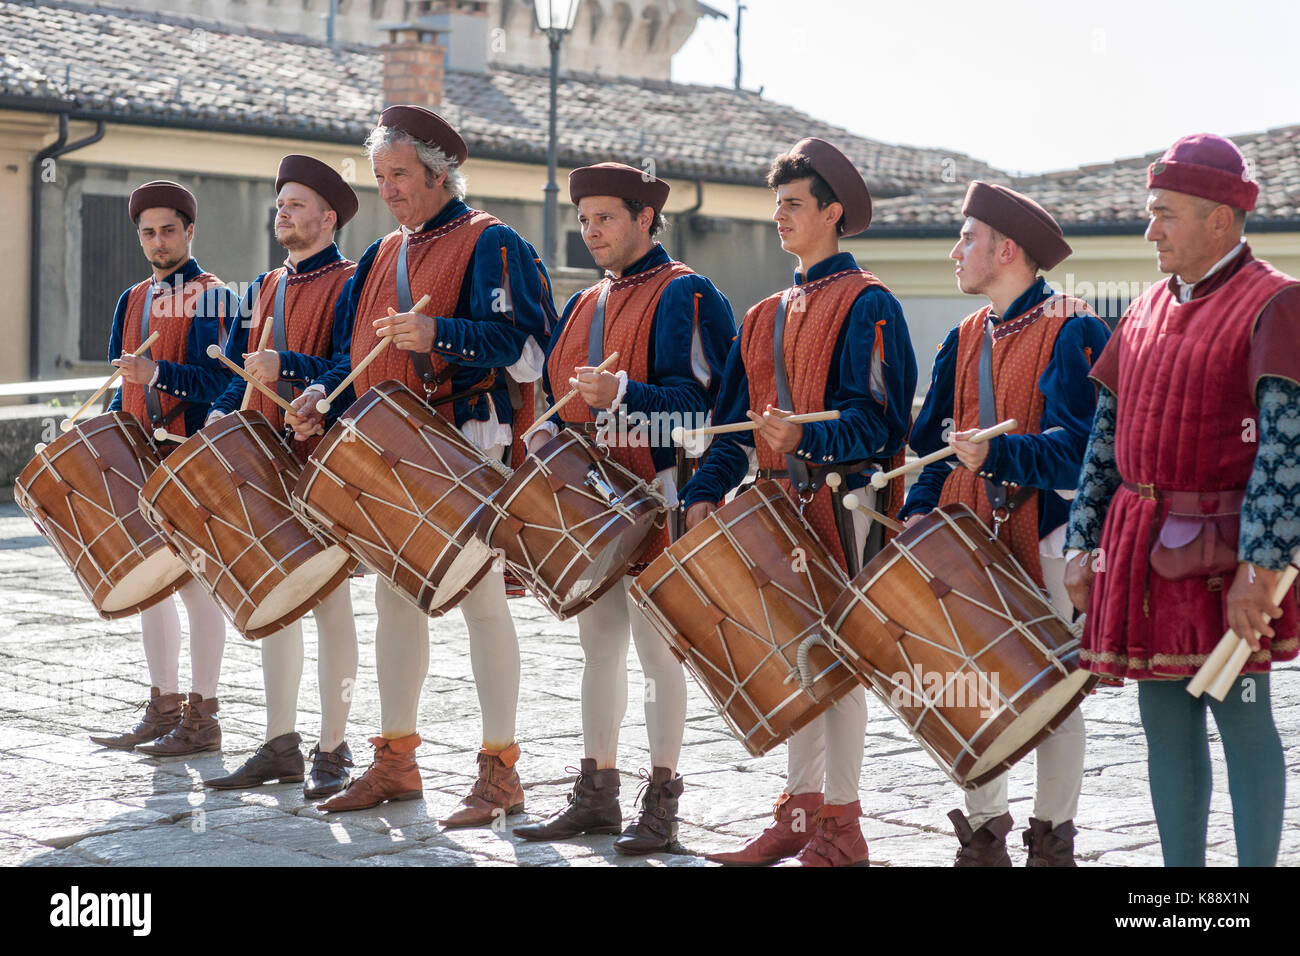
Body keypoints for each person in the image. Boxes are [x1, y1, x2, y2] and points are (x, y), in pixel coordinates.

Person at [285, 106, 557, 820]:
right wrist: (319, 397)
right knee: (394, 601)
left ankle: (501, 770)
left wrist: (441, 332)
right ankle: (397, 761)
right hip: (388, 453)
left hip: (467, 443)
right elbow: (350, 361)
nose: (388, 189)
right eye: (379, 177)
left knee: (479, 599)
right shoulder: (377, 257)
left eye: (399, 175)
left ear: (438, 172)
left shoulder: (495, 243)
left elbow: (529, 351)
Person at [1064, 133, 1299, 867]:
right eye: (1150, 212)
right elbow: (1104, 442)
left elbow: (1286, 451)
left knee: (1244, 719)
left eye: (1165, 213)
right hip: (1138, 544)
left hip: (1227, 551)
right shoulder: (1139, 313)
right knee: (1162, 720)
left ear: (1220, 219)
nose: (1150, 229)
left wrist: (1260, 567)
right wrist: (1083, 541)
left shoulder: (1277, 305)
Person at [681, 138, 917, 866]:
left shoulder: (870, 302)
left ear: (832, 213)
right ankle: (799, 812)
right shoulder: (760, 316)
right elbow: (733, 427)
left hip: (844, 511)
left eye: (793, 205)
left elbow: (883, 422)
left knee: (840, 667)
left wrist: (809, 442)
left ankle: (843, 827)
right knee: (797, 662)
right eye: (776, 204)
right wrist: (702, 493)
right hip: (775, 510)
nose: (779, 217)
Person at [511, 162, 734, 854]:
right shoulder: (580, 306)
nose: (590, 231)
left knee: (657, 653)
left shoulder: (689, 295)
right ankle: (597, 792)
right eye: (584, 220)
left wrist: (627, 396)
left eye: (604, 217)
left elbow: (710, 413)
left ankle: (662, 800)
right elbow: (558, 400)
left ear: (645, 218)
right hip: (589, 509)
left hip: (660, 499)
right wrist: (548, 429)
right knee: (596, 647)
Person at [898, 181, 1111, 866]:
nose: (956, 251)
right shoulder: (964, 336)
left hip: (1047, 535)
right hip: (968, 536)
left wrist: (1000, 451)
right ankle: (985, 833)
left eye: (967, 239)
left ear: (1007, 248)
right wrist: (915, 515)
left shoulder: (1074, 326)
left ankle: (1053, 841)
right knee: (971, 681)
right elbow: (933, 443)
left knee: (1054, 692)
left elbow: (1081, 450)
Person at [203, 155, 361, 798]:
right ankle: (280, 743)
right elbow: (236, 373)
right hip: (264, 459)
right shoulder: (263, 286)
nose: (283, 213)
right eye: (281, 204)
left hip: (321, 460)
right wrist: (217, 417)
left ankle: (333, 747)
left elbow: (352, 366)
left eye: (297, 205)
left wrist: (289, 365)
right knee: (275, 598)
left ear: (328, 218)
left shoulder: (353, 281)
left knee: (328, 601)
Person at [89, 181, 236, 756]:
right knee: (151, 588)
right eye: (147, 232)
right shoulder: (131, 299)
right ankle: (163, 707)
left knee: (198, 590)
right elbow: (123, 382)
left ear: (190, 231)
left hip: (189, 455)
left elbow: (227, 382)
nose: (157, 241)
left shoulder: (217, 297)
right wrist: (102, 428)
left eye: (168, 230)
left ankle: (205, 718)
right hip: (137, 456)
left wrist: (161, 377)